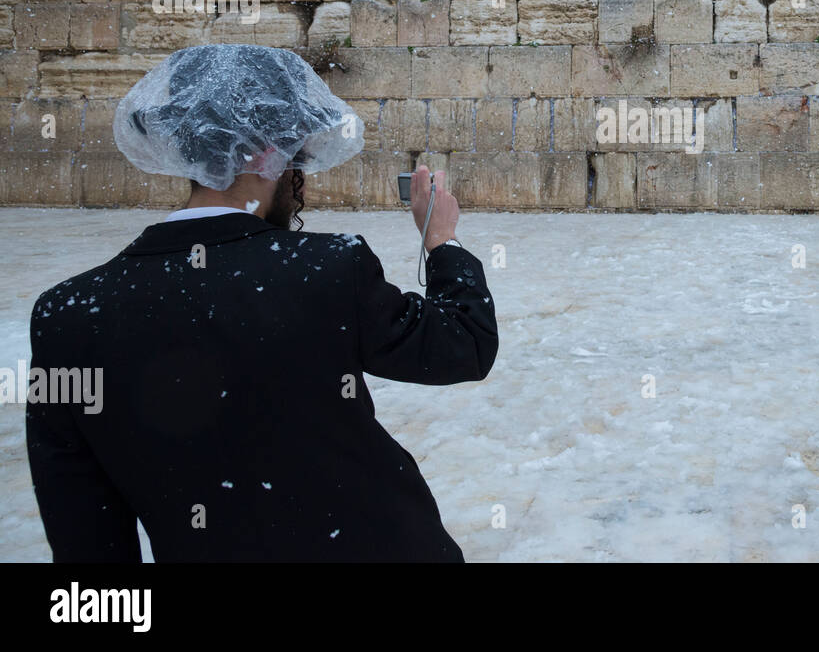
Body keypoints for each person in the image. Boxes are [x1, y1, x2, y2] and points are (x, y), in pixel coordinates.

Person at [26, 44, 498, 561]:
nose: (299, 175)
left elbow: (84, 536)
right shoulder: (328, 268)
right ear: (263, 151)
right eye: (295, 155)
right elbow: (463, 345)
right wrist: (442, 239)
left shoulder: (64, 316)